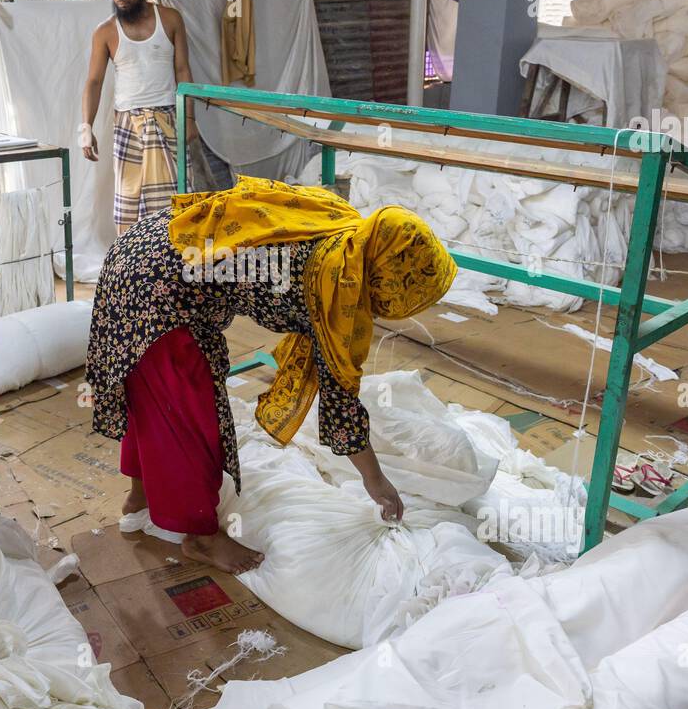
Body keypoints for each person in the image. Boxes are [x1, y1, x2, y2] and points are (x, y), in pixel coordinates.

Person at [87, 176, 457, 574]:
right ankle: (201, 538)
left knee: (154, 398)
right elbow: (340, 403)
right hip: (158, 290)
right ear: (387, 279)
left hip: (146, 249)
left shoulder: (346, 227)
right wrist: (376, 481)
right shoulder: (336, 282)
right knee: (190, 419)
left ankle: (138, 500)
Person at [80, 0, 199, 235]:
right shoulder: (105, 32)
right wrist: (86, 126)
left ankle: (176, 267)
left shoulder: (170, 19)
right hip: (128, 126)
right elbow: (94, 81)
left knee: (175, 201)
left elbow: (183, 70)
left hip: (169, 119)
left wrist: (190, 119)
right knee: (129, 203)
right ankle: (135, 269)